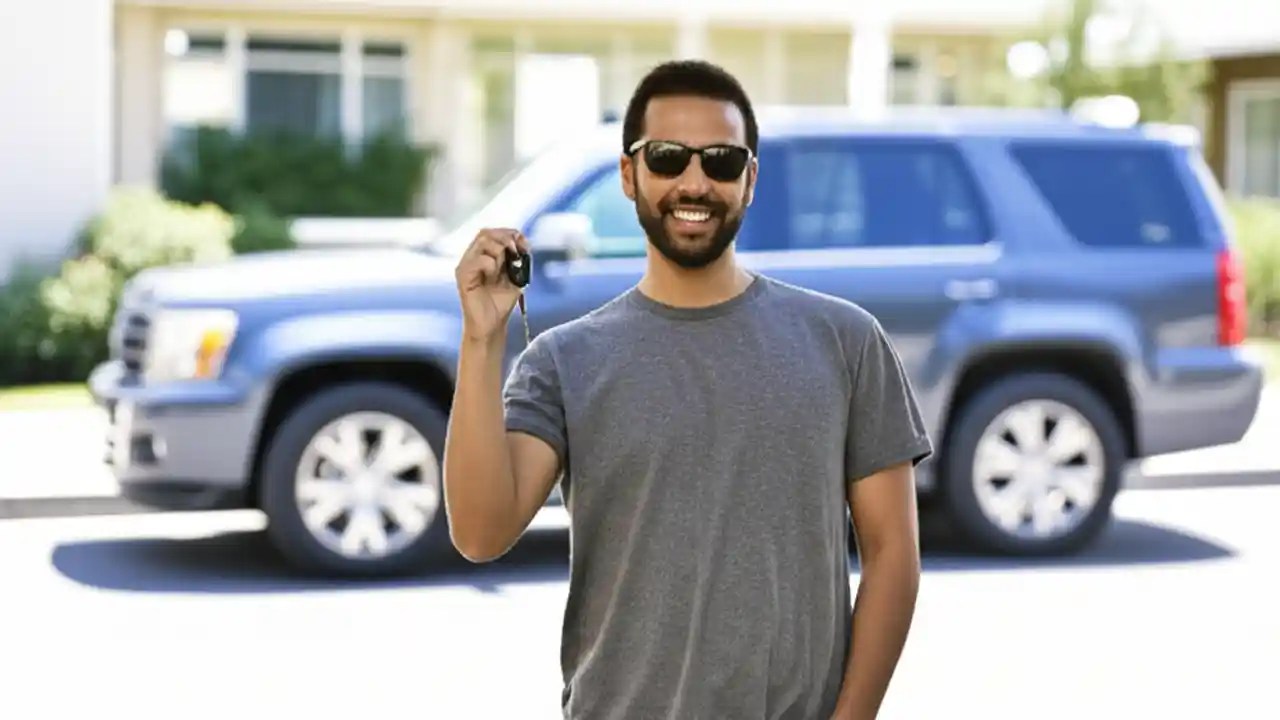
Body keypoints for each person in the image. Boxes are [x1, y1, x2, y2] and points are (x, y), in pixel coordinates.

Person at [443, 59, 933, 720]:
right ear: (629, 174)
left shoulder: (846, 341)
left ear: (750, 180)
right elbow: (480, 532)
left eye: (722, 162)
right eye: (668, 157)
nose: (694, 181)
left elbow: (892, 554)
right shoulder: (563, 361)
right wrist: (481, 340)